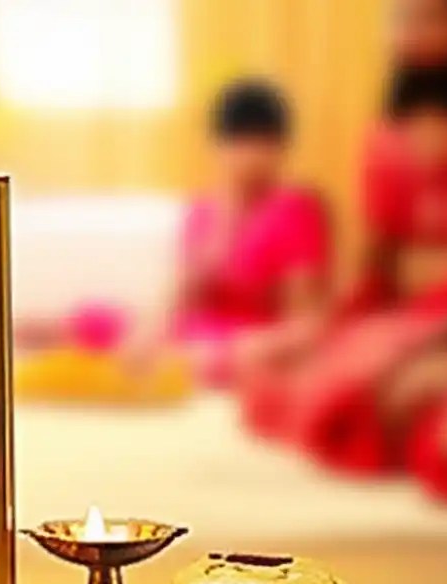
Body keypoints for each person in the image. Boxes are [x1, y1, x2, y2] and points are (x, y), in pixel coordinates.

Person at [243, 65, 447, 504]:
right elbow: (378, 273)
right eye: (414, 127)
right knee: (331, 362)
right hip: (414, 317)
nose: (428, 138)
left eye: (444, 123)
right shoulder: (398, 173)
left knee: (380, 366)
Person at [129, 79, 329, 387]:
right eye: (238, 142)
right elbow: (181, 296)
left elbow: (304, 322)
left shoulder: (294, 210)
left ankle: (192, 362)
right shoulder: (203, 209)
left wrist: (234, 350)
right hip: (201, 331)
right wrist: (152, 331)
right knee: (109, 325)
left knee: (208, 357)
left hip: (257, 337)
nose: (251, 155)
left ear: (281, 148)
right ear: (218, 146)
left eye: (263, 143)